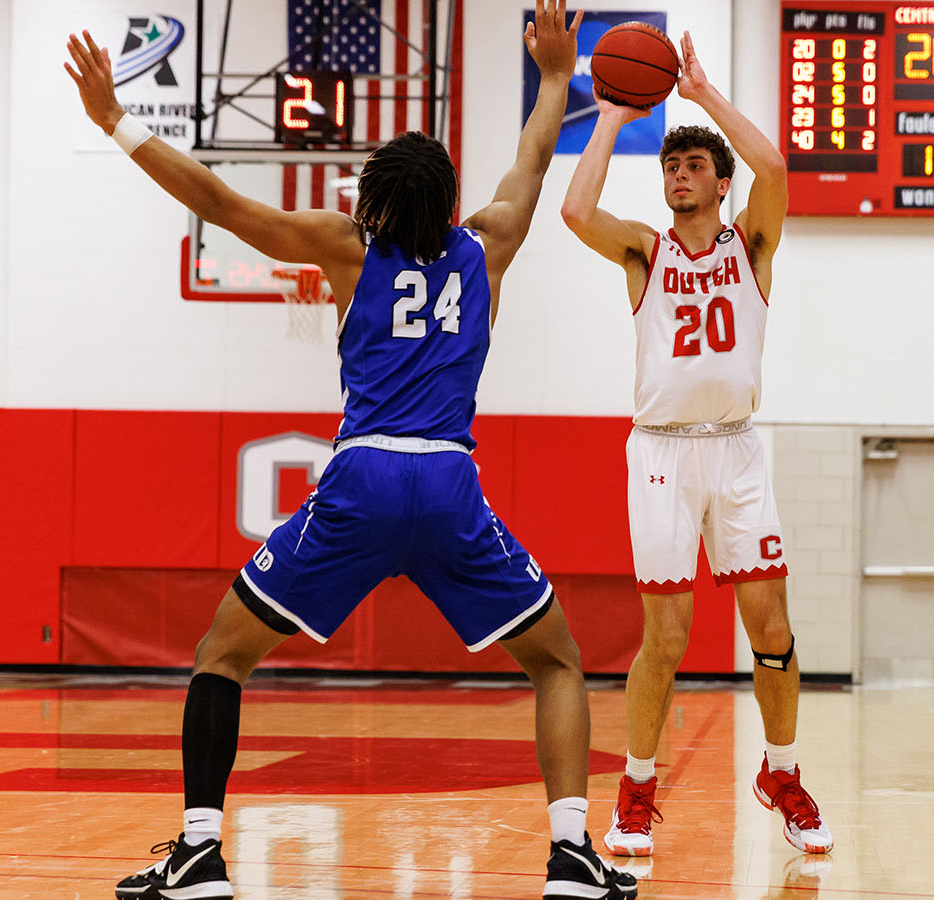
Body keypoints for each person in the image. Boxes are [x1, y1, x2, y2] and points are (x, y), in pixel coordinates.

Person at [64, 4, 637, 898]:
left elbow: (217, 200)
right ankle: (571, 855)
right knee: (557, 660)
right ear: (450, 203)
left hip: (363, 473)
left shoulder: (343, 249)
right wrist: (557, 76)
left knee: (222, 655)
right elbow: (530, 161)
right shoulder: (489, 247)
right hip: (449, 478)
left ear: (372, 201)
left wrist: (117, 120)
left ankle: (199, 852)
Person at [560, 32, 832, 857]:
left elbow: (778, 169)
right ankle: (637, 789)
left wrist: (706, 96)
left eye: (692, 165)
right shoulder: (644, 248)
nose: (679, 173)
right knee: (667, 638)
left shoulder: (751, 244)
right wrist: (610, 117)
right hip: (663, 454)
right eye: (671, 163)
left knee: (772, 626)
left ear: (719, 182)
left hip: (739, 449)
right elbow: (574, 212)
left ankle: (780, 772)